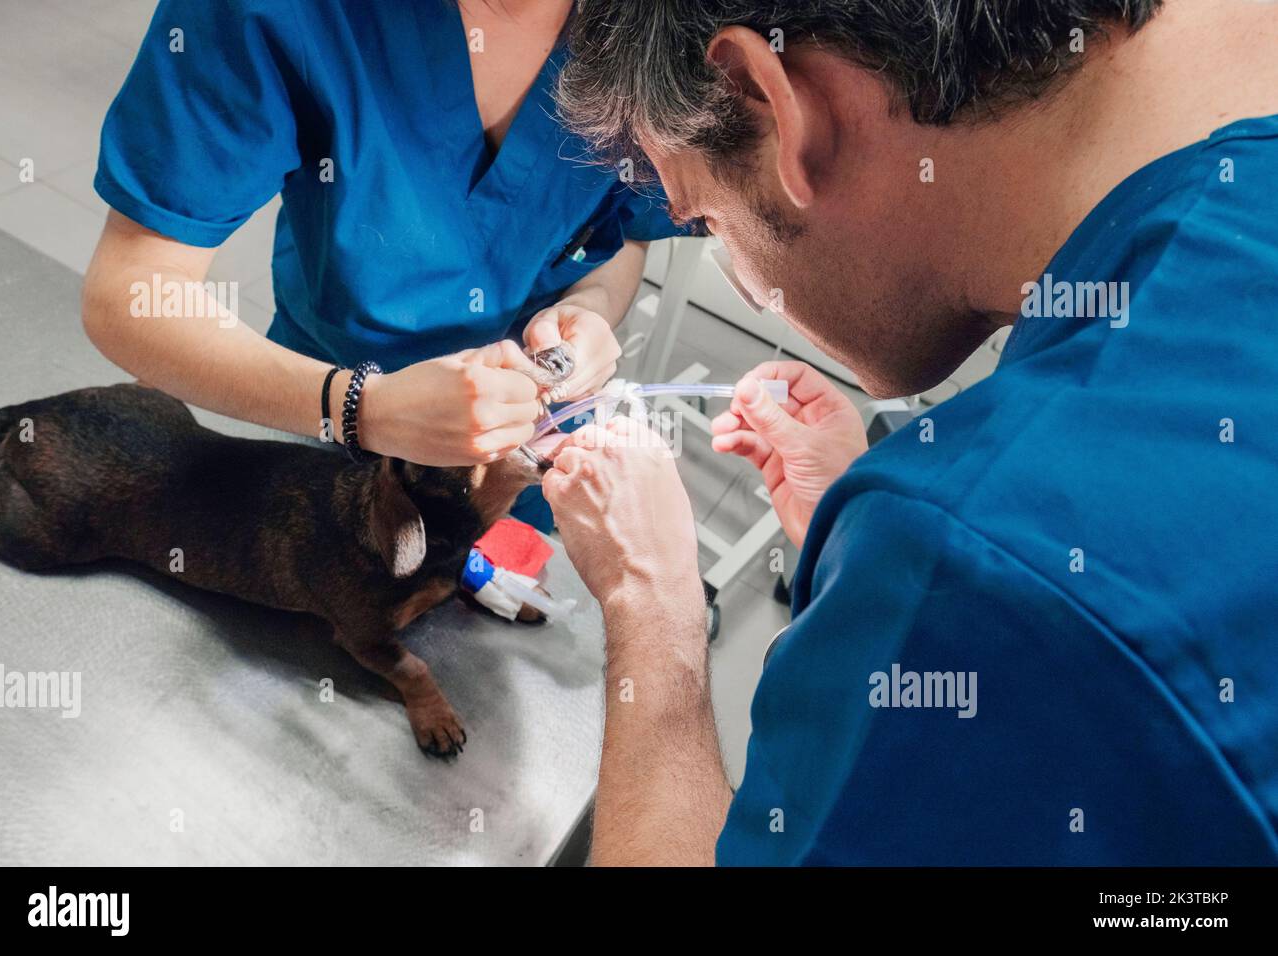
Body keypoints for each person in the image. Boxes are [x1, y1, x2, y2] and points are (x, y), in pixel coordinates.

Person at [542, 0, 1278, 864]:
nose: (737, 275)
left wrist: (652, 598)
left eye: (704, 219)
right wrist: (871, 543)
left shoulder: (997, 572)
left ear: (775, 103)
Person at [82, 0, 682, 529]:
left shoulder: (662, 34)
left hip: (520, 449)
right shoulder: (283, 14)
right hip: (314, 412)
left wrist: (590, 309)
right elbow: (130, 293)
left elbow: (622, 235)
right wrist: (359, 409)